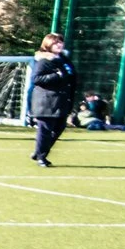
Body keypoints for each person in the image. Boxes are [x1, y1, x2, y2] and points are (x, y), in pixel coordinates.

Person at [28, 33, 76, 166]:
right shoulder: (44, 60)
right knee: (45, 130)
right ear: (48, 45)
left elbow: (71, 78)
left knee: (59, 128)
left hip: (62, 100)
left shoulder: (64, 60)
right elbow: (36, 79)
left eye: (60, 42)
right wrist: (55, 76)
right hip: (46, 101)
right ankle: (42, 157)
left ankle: (39, 152)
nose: (59, 45)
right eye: (55, 43)